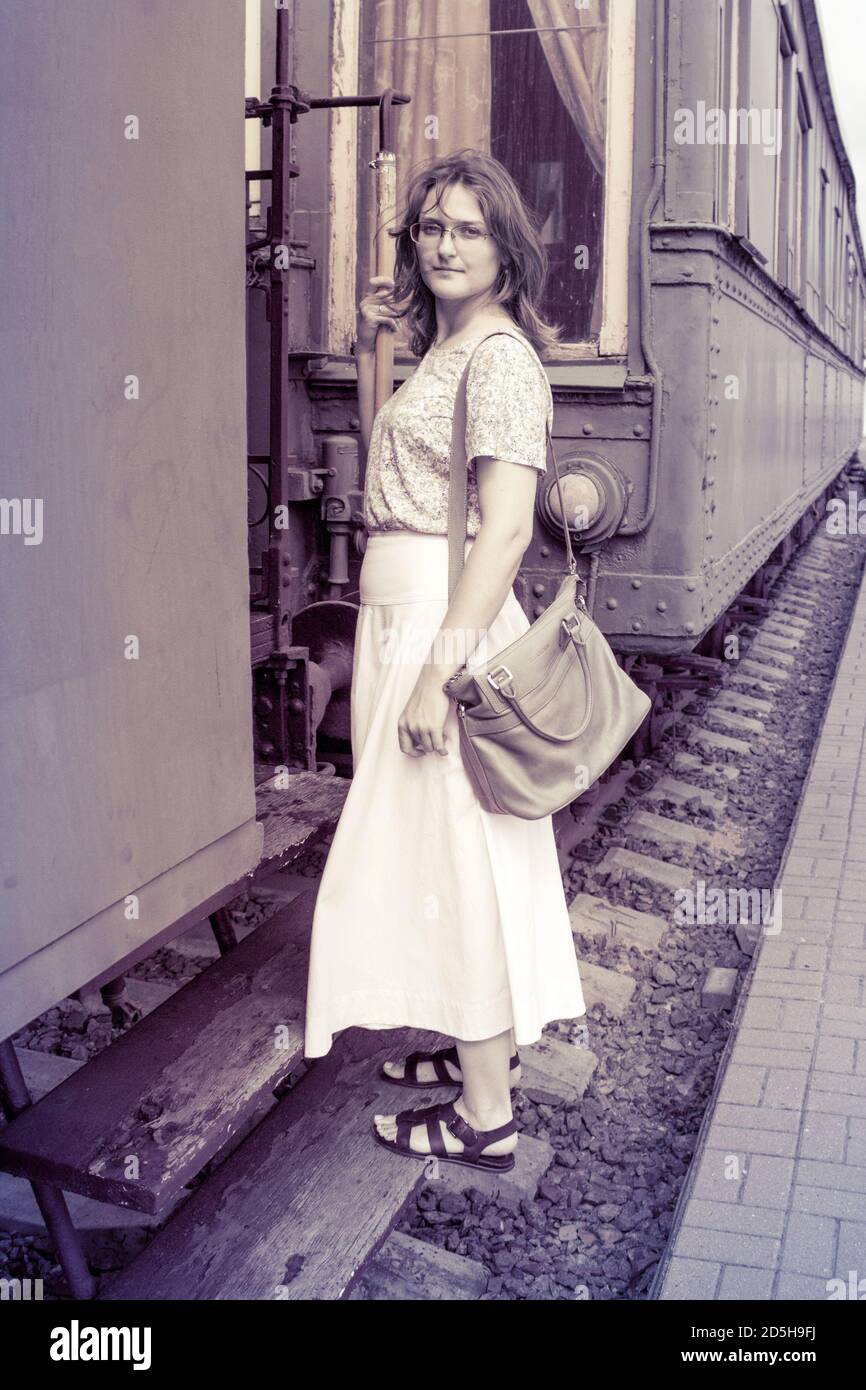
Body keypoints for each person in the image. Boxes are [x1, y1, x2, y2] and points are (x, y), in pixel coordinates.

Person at [303, 149, 586, 1172]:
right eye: (429, 225)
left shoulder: (498, 359)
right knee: (459, 855)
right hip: (413, 618)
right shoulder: (448, 344)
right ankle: (482, 1051)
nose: (442, 242)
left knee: (459, 860)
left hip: (439, 629)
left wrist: (437, 671)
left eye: (465, 227)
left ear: (505, 246)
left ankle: (483, 1115)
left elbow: (504, 531)